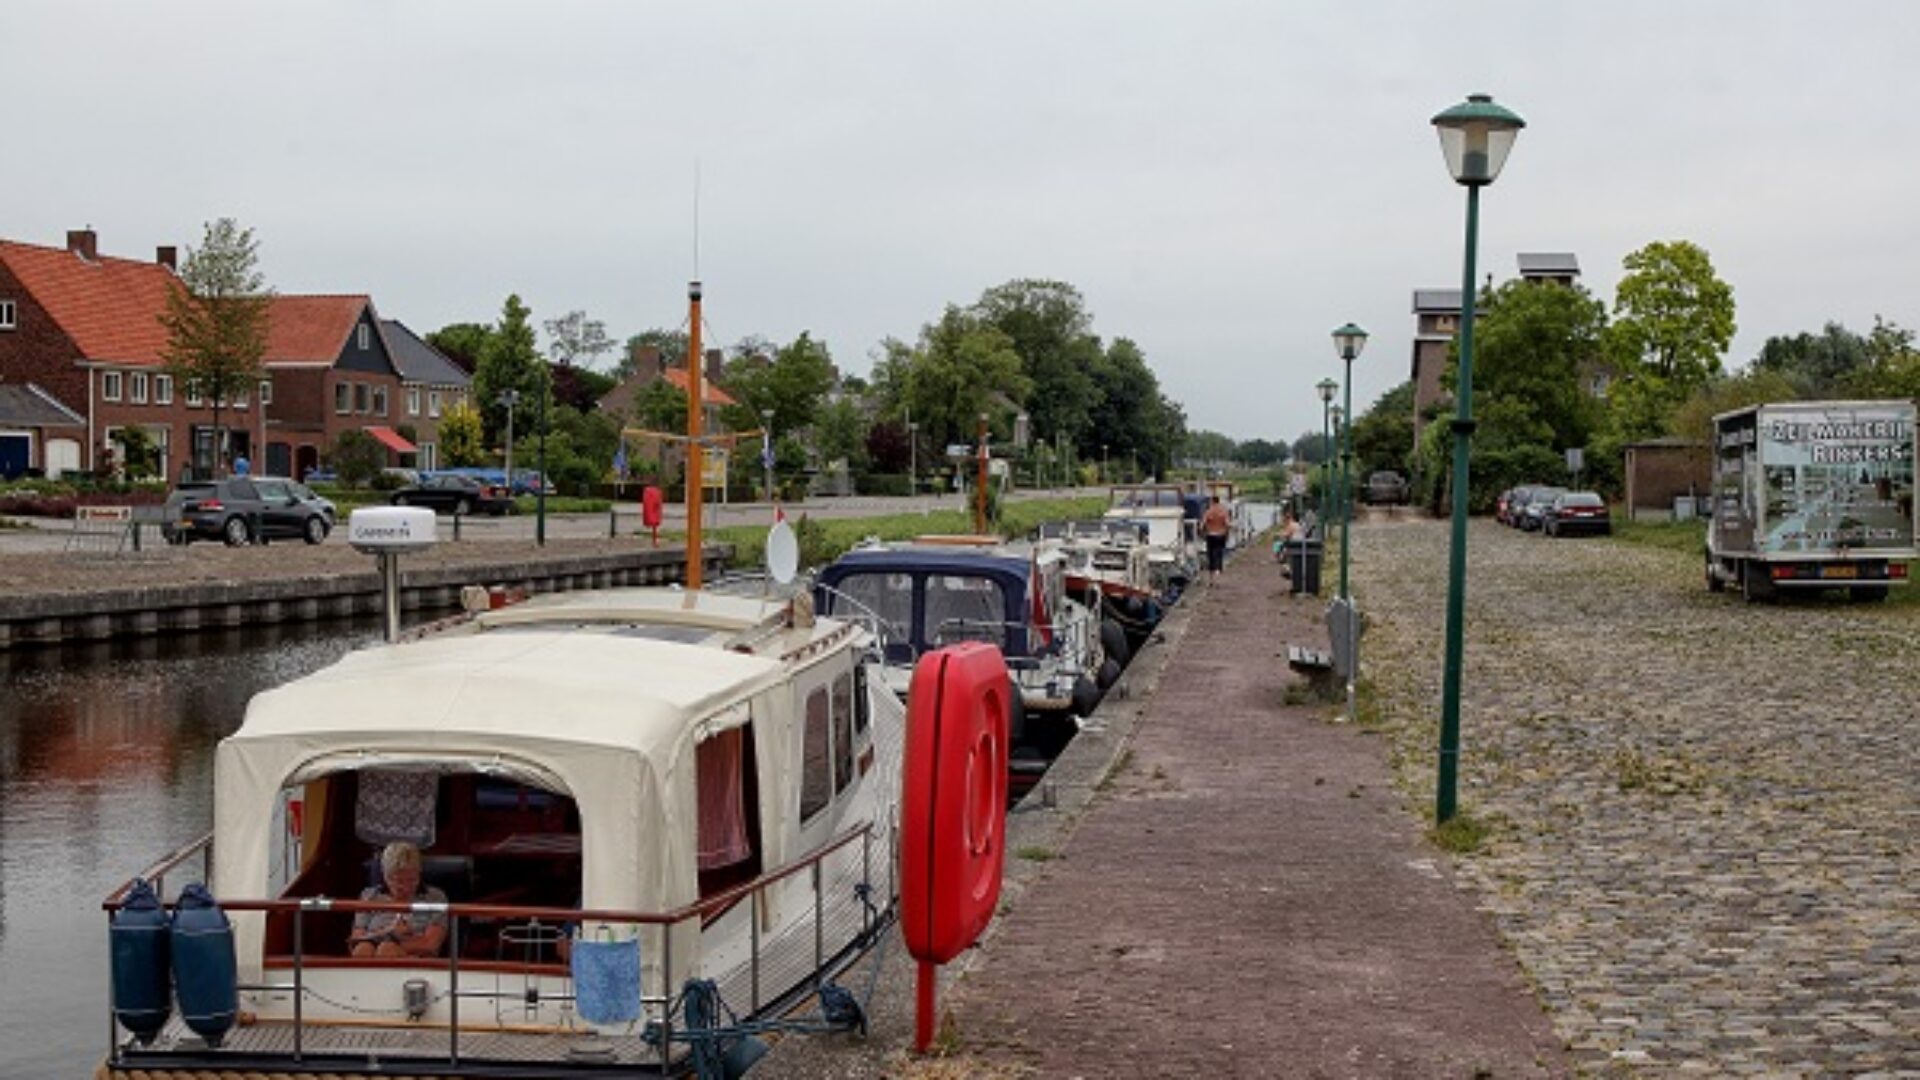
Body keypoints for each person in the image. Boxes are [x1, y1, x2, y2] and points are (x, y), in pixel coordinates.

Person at [349, 841, 448, 958]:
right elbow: (356, 940)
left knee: (387, 950)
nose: (406, 887)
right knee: (362, 949)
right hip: (373, 950)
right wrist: (390, 932)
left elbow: (430, 944)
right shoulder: (369, 896)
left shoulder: (435, 897)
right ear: (386, 876)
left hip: (415, 958)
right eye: (399, 881)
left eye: (412, 880)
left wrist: (392, 944)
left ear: (419, 873)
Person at [1201, 495, 1231, 581]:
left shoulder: (1208, 512)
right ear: (1219, 501)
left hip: (1210, 535)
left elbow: (1202, 525)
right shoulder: (1223, 511)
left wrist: (1203, 533)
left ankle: (1211, 578)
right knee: (1219, 553)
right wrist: (1227, 532)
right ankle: (1218, 572)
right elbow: (1227, 524)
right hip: (1221, 535)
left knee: (1210, 555)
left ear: (1212, 502)